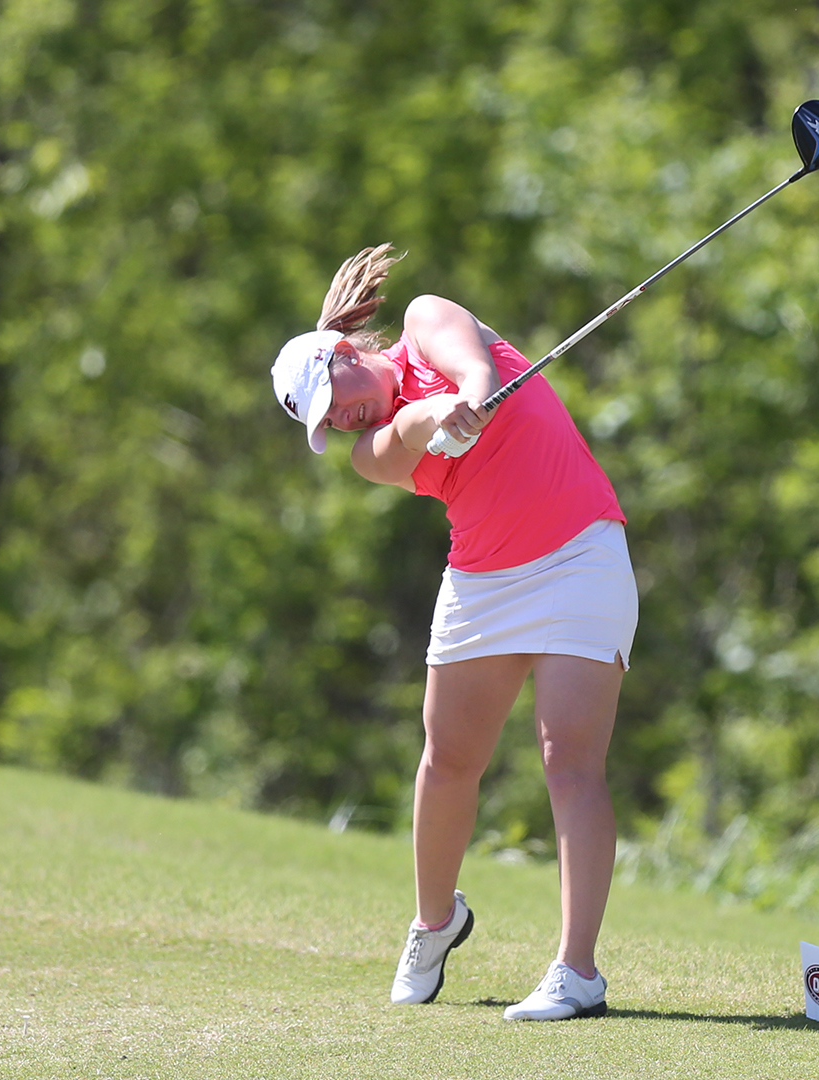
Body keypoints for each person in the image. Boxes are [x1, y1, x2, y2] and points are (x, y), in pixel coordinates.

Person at [270, 245, 636, 1021]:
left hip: (581, 554)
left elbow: (471, 366)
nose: (339, 422)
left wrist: (470, 397)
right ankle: (434, 924)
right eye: (324, 424)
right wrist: (435, 417)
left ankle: (577, 973)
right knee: (448, 759)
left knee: (569, 759)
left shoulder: (423, 316)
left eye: (330, 399)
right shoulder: (368, 453)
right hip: (484, 583)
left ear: (344, 353)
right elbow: (398, 437)